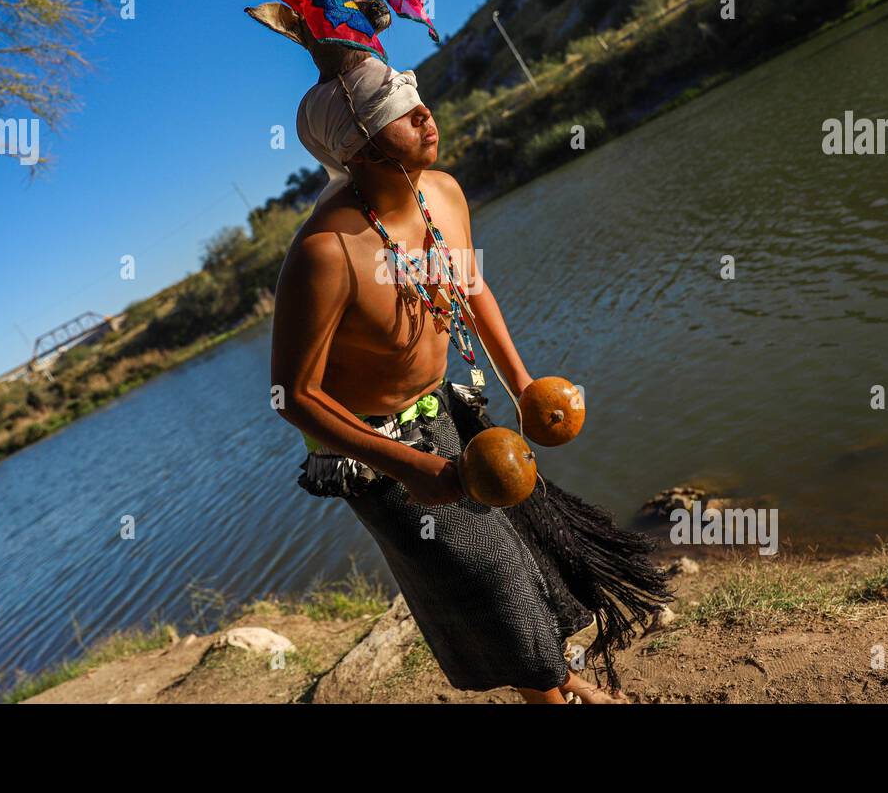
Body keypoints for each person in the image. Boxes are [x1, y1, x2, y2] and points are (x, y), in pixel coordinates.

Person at [270, 56, 658, 703]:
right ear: (355, 146)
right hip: (372, 450)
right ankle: (558, 699)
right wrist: (405, 466)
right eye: (396, 111)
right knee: (493, 578)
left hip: (446, 410)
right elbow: (294, 397)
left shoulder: (442, 193)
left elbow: (469, 283)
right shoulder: (326, 254)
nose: (424, 114)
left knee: (528, 554)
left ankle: (568, 685)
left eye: (417, 98)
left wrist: (523, 383)